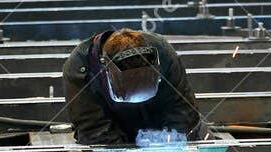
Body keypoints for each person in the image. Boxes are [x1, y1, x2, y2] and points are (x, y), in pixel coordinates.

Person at [61, 28, 204, 145]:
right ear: (107, 70)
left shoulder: (164, 53)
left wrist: (171, 146)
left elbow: (183, 112)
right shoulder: (80, 67)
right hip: (110, 133)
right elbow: (93, 128)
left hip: (161, 129)